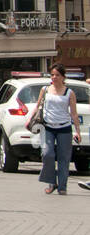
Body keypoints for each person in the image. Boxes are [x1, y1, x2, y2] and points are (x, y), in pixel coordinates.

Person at [31, 63, 81, 195]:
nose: (54, 77)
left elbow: (74, 114)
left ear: (63, 77)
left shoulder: (69, 93)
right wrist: (30, 119)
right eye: (52, 75)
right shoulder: (45, 89)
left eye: (57, 75)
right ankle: (51, 182)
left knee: (64, 159)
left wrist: (77, 131)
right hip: (48, 127)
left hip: (64, 128)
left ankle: (62, 186)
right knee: (47, 154)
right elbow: (37, 106)